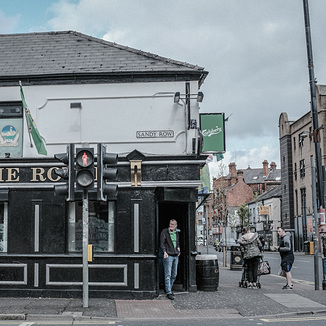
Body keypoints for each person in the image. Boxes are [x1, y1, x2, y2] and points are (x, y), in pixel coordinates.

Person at [160, 219, 180, 300]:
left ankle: (168, 288)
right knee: (168, 274)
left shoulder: (176, 232)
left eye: (173, 224)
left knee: (174, 274)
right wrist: (164, 252)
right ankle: (169, 292)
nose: (171, 225)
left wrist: (179, 249)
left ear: (176, 225)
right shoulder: (165, 232)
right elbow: (162, 243)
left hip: (175, 255)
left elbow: (177, 242)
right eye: (170, 224)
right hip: (168, 255)